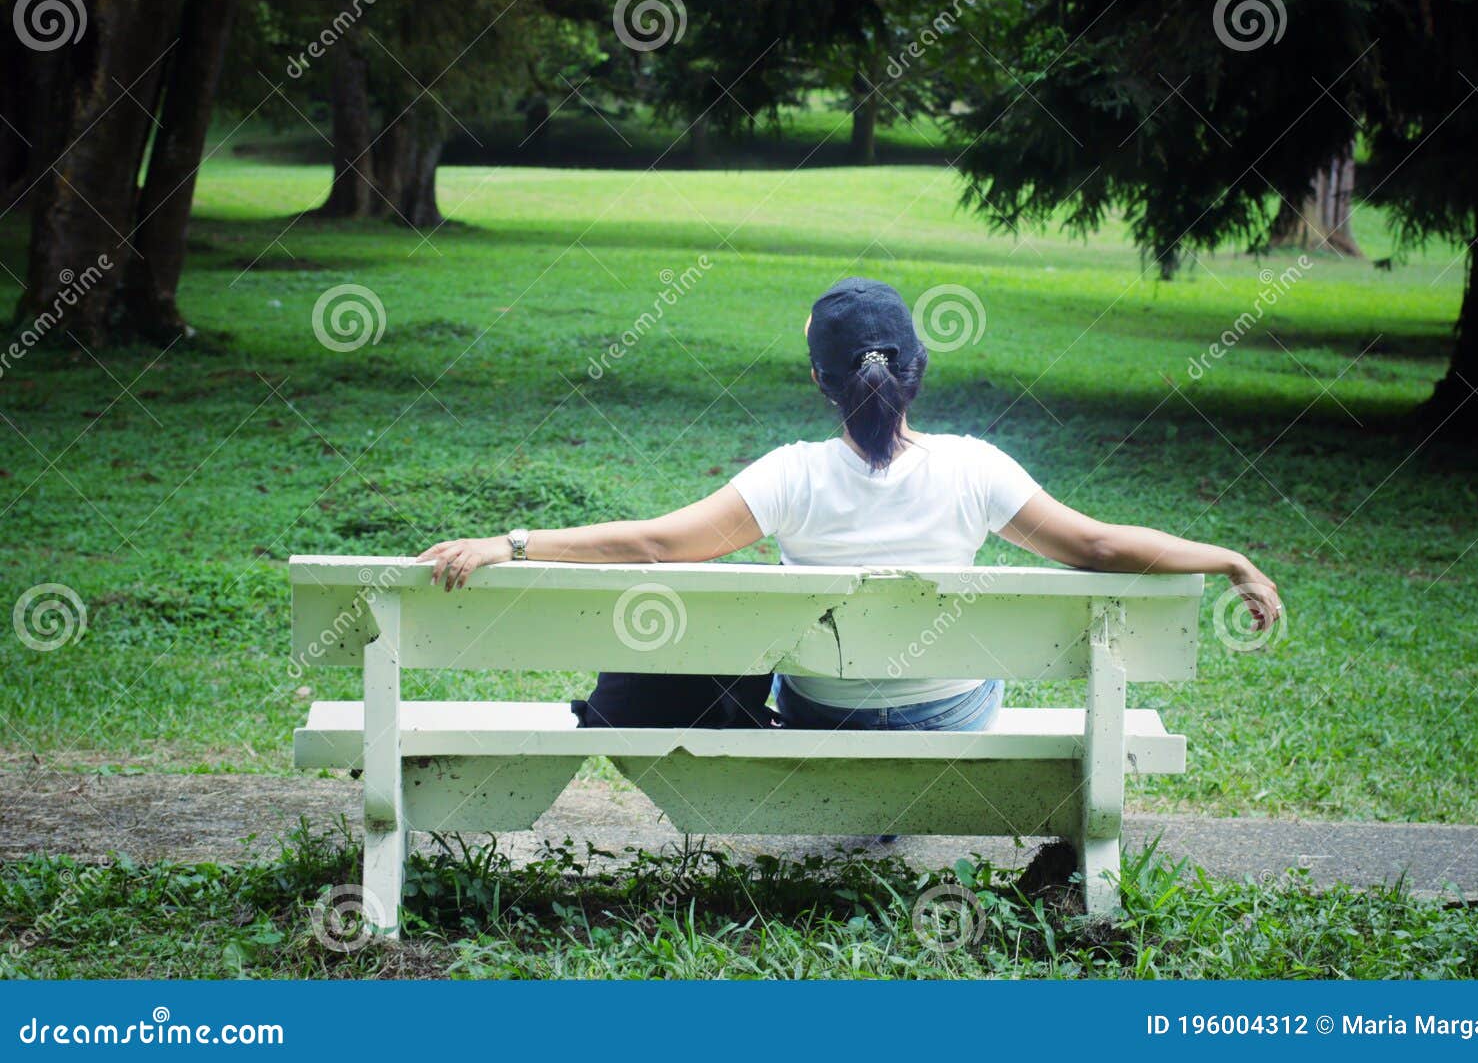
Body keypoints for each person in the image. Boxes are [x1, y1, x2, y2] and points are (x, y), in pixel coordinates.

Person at [417, 277, 1282, 732]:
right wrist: (1229, 557)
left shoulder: (790, 476)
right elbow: (1096, 547)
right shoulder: (977, 468)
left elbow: (657, 543)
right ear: (917, 372)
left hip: (823, 706)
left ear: (821, 384)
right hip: (951, 718)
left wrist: (512, 540)